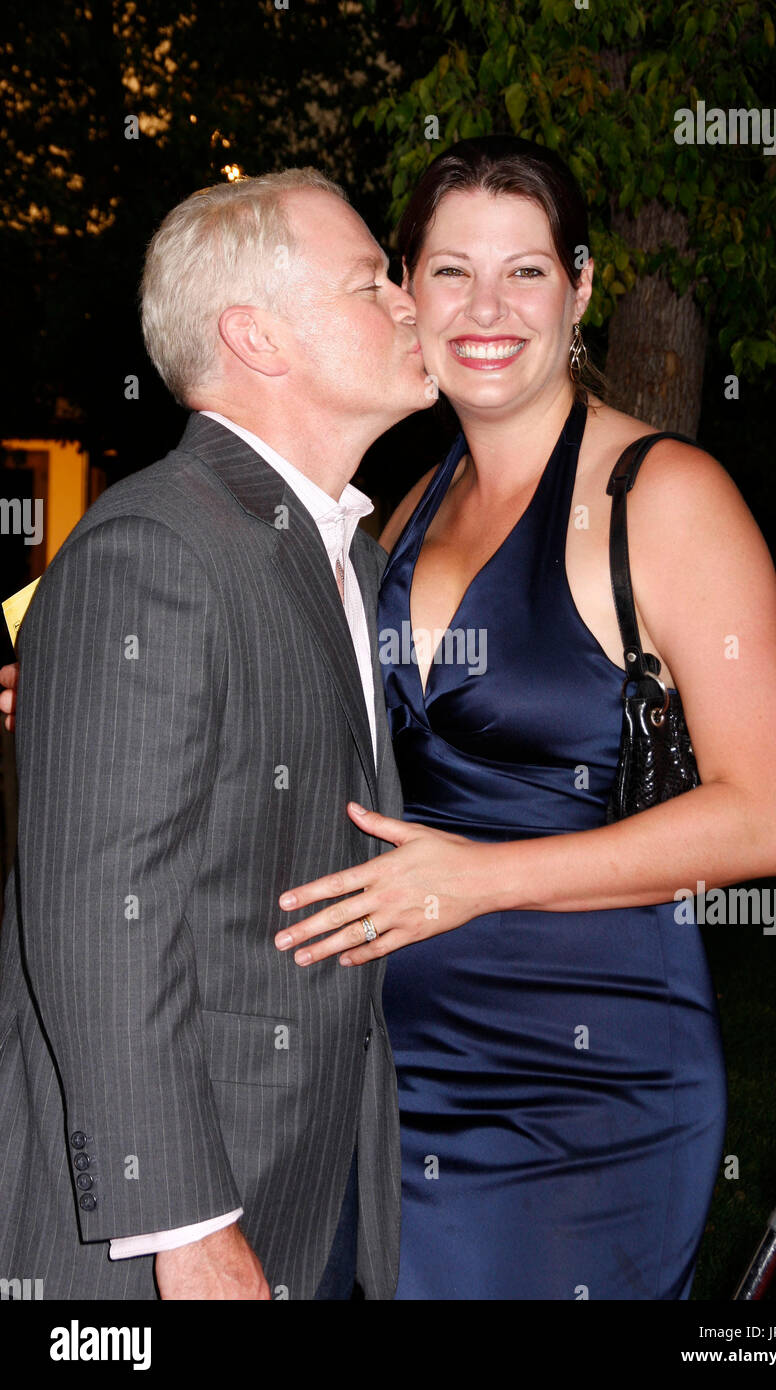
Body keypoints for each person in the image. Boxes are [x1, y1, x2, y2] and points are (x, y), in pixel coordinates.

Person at [272, 137, 776, 1300]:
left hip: (584, 1083)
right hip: (389, 1061)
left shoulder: (664, 498)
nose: (486, 308)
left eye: (524, 272)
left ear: (577, 290)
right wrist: (110, 693)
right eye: (450, 270)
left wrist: (482, 879)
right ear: (405, 293)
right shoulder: (410, 503)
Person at [0, 168, 431, 1299]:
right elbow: (96, 907)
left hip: (311, 1175)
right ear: (256, 336)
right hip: (177, 1224)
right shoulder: (153, 551)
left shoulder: (346, 555)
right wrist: (185, 1224)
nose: (409, 303)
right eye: (370, 283)